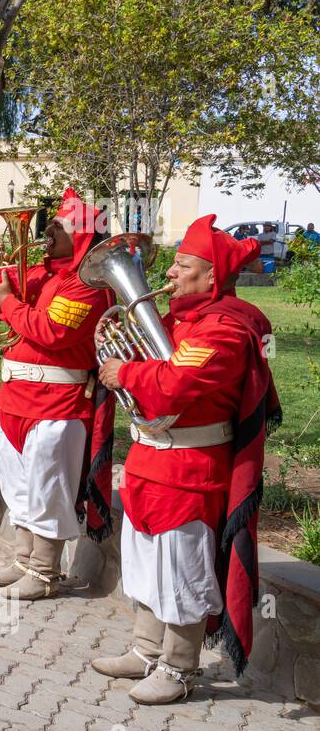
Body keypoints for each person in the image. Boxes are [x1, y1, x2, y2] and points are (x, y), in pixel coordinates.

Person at [91, 215, 278, 704]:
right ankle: (146, 648)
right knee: (145, 563)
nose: (169, 274)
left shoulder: (224, 329)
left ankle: (178, 667)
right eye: (173, 265)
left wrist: (127, 372)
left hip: (190, 471)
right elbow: (164, 369)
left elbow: (177, 383)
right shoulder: (183, 320)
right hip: (150, 462)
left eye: (182, 265)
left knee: (182, 570)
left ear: (212, 275)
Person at [0, 188, 115, 599]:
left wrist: (7, 303)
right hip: (17, 399)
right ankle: (24, 559)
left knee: (48, 488)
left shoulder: (89, 286)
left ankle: (44, 572)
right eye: (51, 222)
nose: (48, 229)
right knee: (19, 487)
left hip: (57, 402)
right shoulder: (48, 274)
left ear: (84, 237)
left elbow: (52, 332)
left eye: (60, 224)